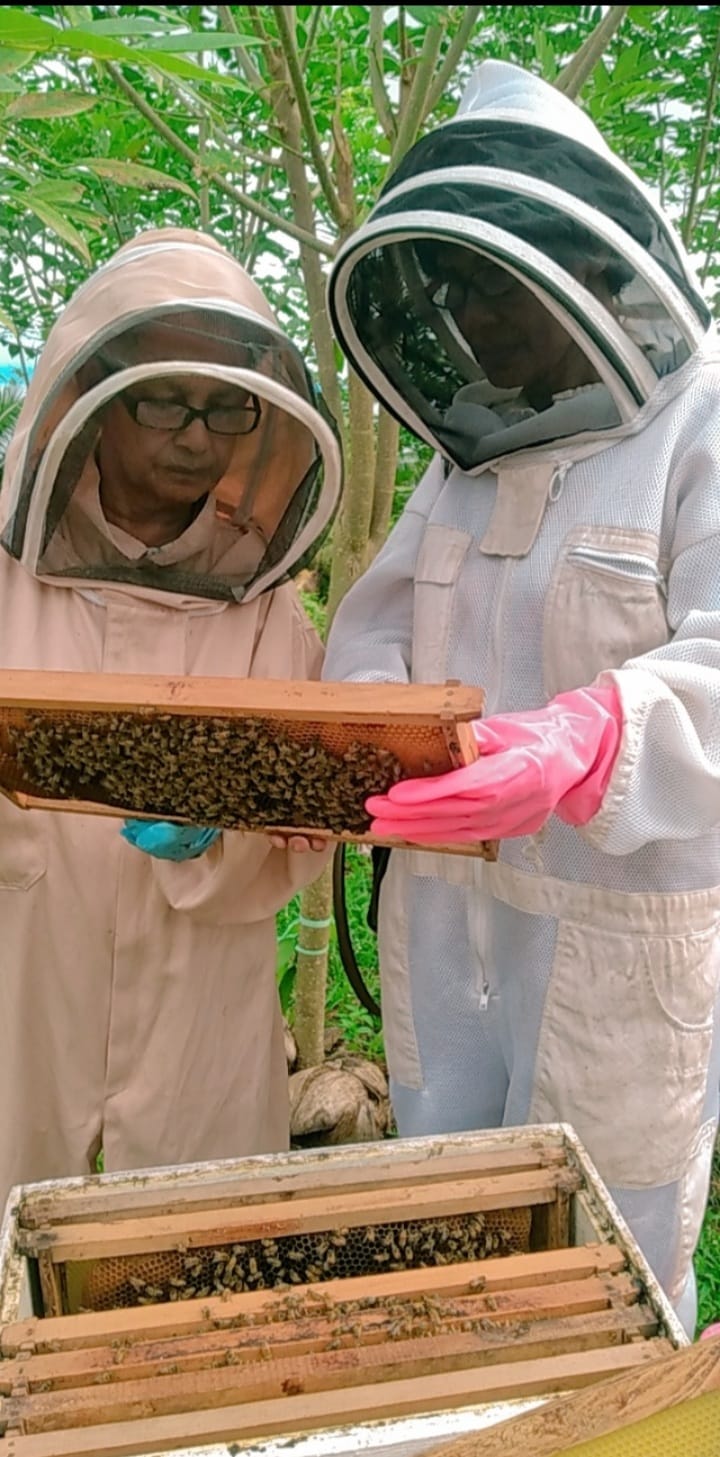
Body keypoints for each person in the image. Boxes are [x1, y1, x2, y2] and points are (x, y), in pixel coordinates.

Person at [323, 59, 720, 1333]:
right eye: (451, 294)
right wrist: (358, 736)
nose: (472, 324)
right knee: (445, 1231)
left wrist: (591, 737)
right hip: (447, 911)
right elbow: (374, 632)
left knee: (607, 1270)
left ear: (591, 265)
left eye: (493, 287)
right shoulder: (468, 458)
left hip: (621, 931)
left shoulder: (701, 422)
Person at [0, 227, 340, 1208]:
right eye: (164, 399)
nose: (197, 435)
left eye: (226, 405)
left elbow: (306, 816)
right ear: (94, 399)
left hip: (203, 1004)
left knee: (197, 1248)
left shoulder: (267, 612)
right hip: (25, 985)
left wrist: (222, 831)